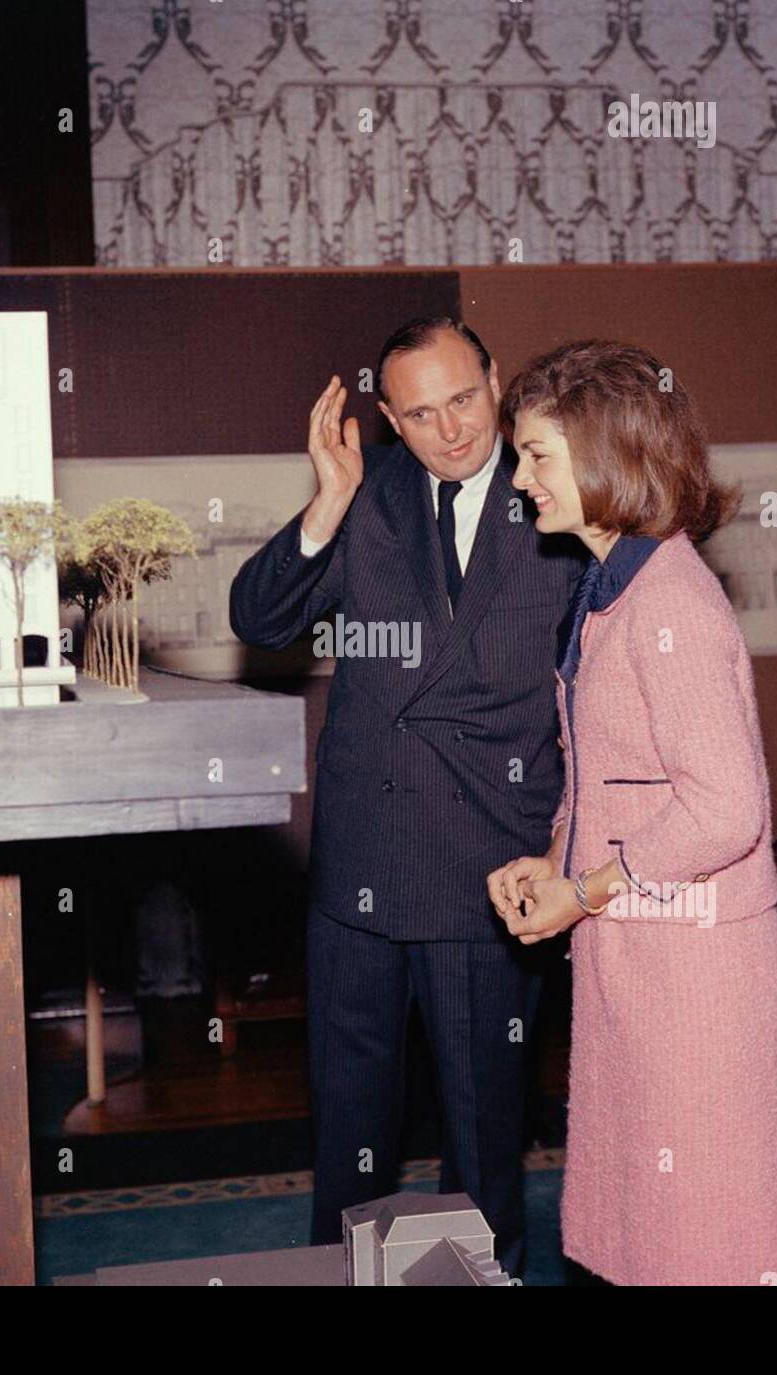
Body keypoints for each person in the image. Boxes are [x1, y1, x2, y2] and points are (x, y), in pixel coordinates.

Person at [230, 318, 585, 1274]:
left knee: (481, 1142)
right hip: (359, 869)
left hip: (487, 869)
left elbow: (594, 703)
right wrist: (328, 497)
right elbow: (256, 616)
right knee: (349, 1134)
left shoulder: (555, 500)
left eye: (464, 399)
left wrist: (566, 852)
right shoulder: (369, 497)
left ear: (496, 381)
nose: (452, 430)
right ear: (388, 419)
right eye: (420, 413)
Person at [488, 339, 777, 1286]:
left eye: (538, 456)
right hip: (637, 954)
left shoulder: (675, 603)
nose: (519, 478)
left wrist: (582, 891)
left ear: (609, 457)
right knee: (645, 1230)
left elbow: (725, 809)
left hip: (695, 973)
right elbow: (612, 779)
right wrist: (553, 860)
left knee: (705, 1233)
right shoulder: (605, 592)